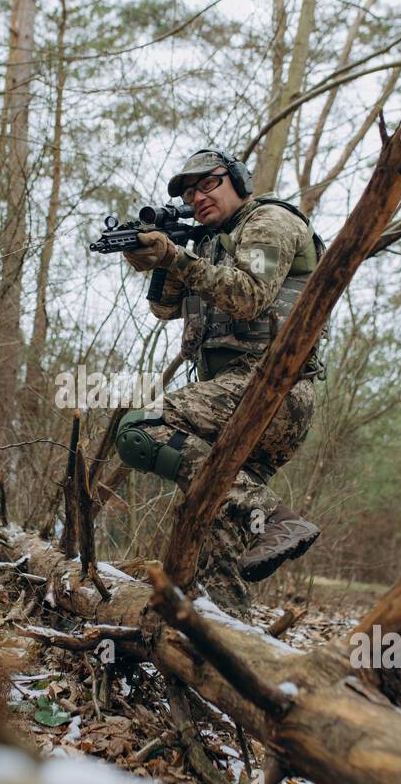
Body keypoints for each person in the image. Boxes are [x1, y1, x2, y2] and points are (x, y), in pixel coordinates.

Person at [114, 148, 322, 583]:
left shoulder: (270, 221)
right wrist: (154, 258)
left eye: (208, 183)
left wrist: (175, 257)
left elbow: (249, 296)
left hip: (271, 386)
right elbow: (163, 307)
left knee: (142, 429)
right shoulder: (207, 242)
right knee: (211, 527)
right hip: (238, 392)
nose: (197, 197)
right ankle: (223, 637)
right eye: (189, 193)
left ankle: (275, 517)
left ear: (239, 180)